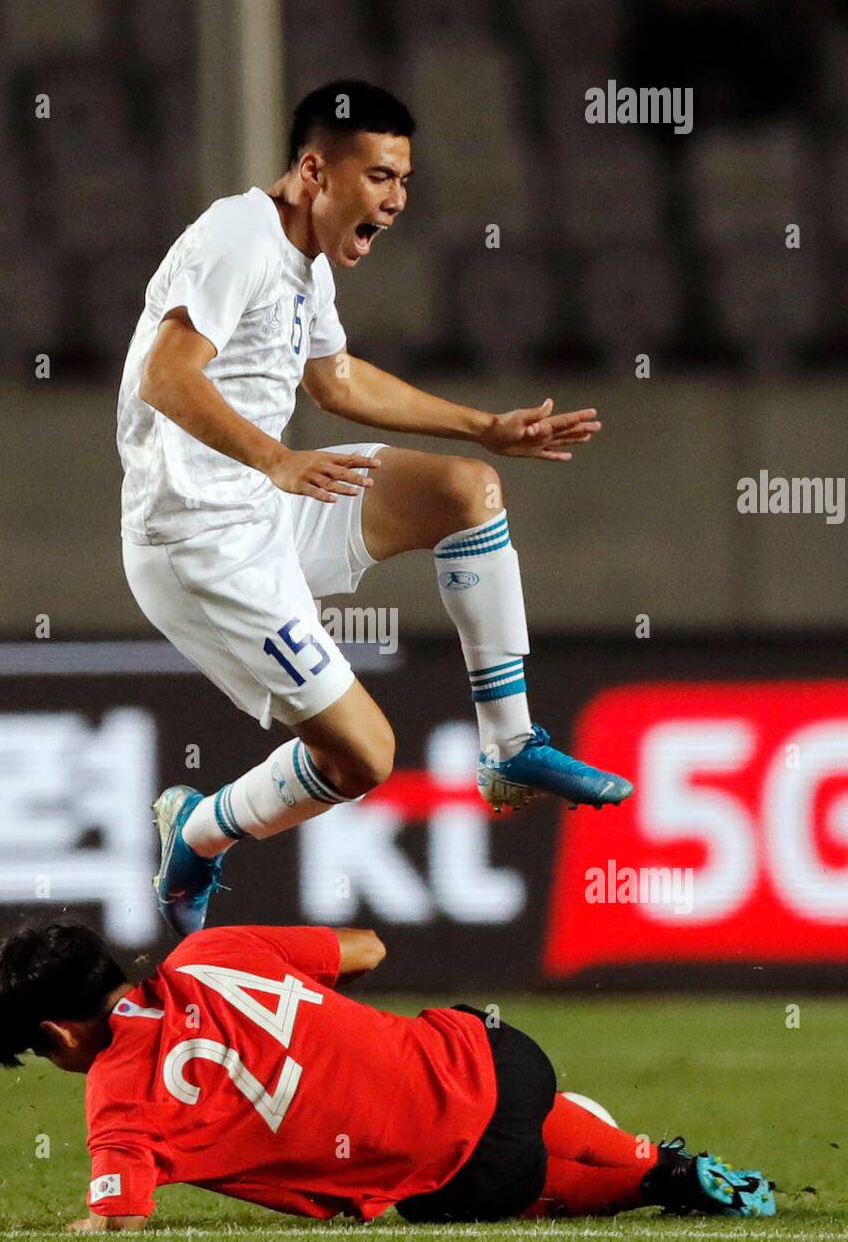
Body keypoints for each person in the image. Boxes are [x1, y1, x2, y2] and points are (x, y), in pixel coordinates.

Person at [116, 79, 633, 936]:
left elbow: (335, 379)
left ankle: (509, 748)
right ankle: (197, 831)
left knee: (465, 490)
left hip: (269, 500)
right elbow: (164, 377)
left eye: (404, 183)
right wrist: (277, 459)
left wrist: (482, 427)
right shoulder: (238, 235)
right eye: (380, 178)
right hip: (200, 540)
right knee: (366, 758)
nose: (395, 202)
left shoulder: (299, 259)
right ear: (315, 170)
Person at [0, 919, 776, 1230]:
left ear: (56, 1030)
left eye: (44, 1052)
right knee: (470, 1085)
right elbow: (366, 951)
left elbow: (118, 1221)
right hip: (506, 1055)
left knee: (453, 1172)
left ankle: (649, 1182)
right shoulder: (212, 952)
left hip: (470, 1180)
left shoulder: (119, 1097)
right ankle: (653, 1159)